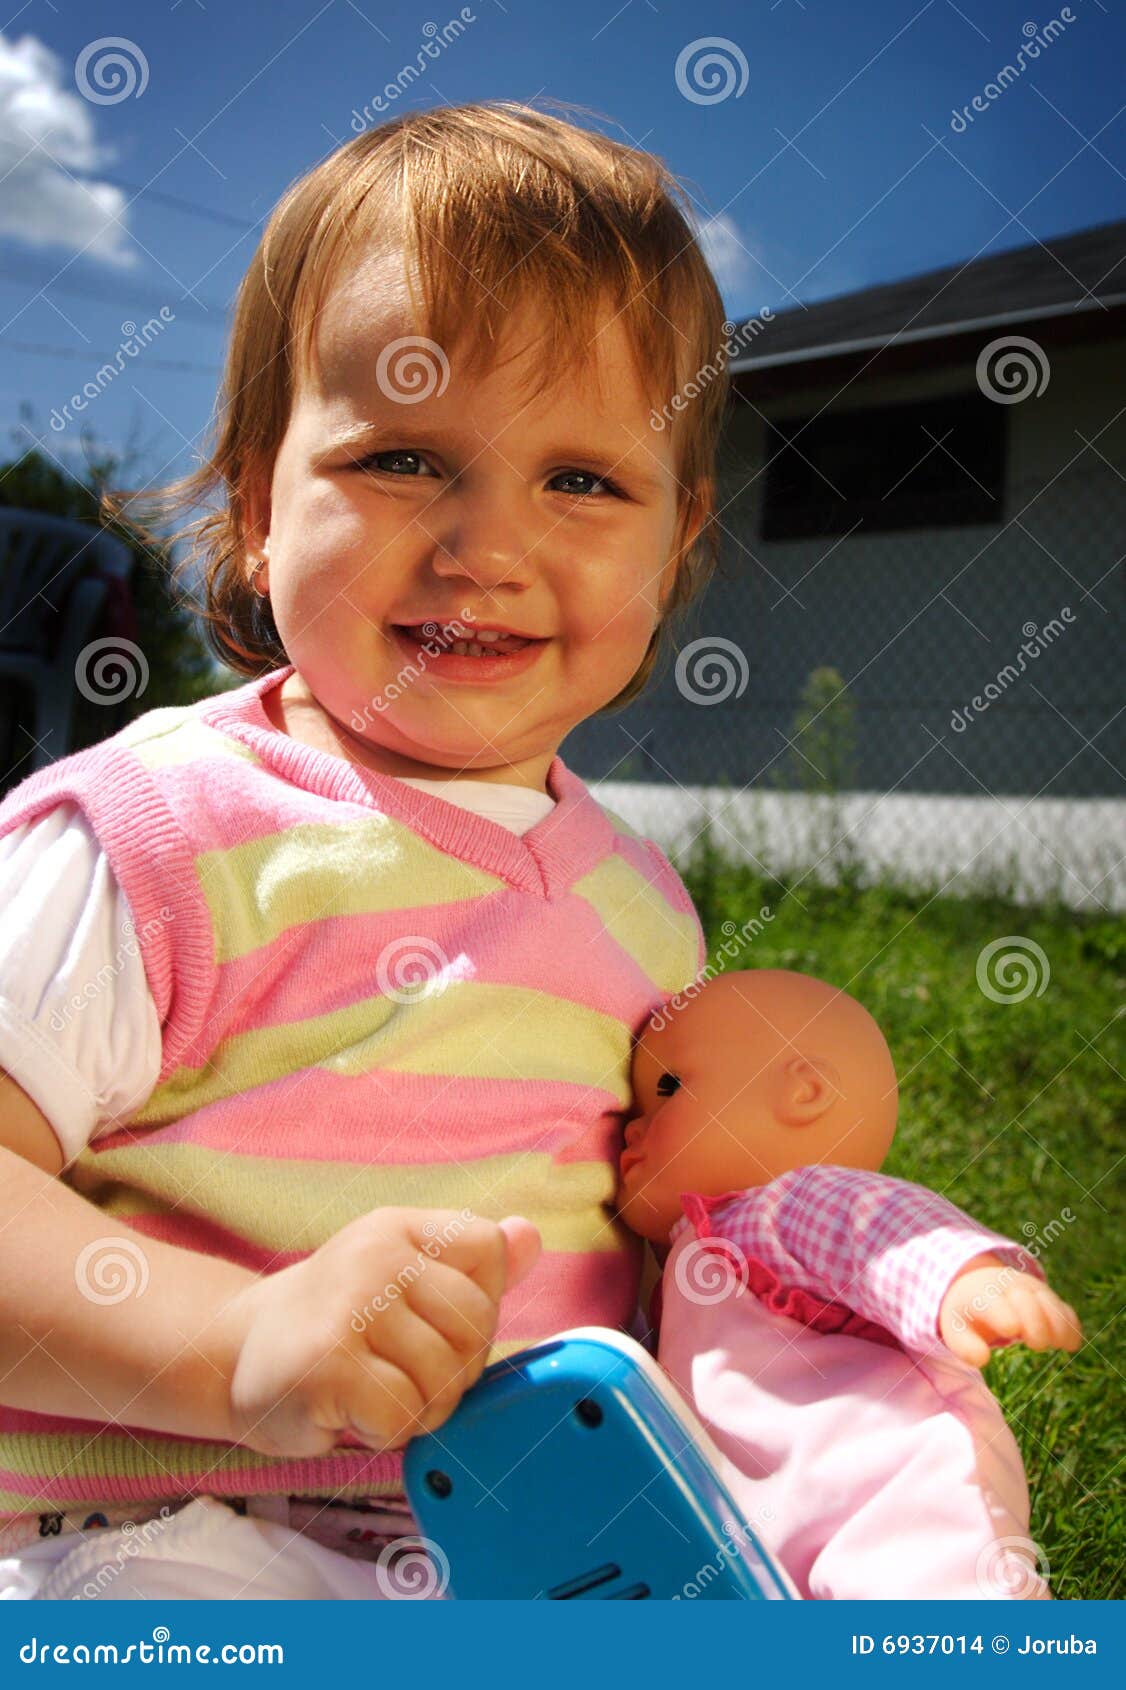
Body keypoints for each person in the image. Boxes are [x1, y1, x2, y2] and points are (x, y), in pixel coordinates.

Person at [0, 100, 724, 1599]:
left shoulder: (643, 909)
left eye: (581, 480)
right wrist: (239, 1345)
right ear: (262, 508)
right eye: (404, 457)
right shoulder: (155, 834)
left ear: (676, 545)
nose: (485, 545)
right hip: (160, 1536)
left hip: (538, 1556)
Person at [616, 970, 1082, 1600]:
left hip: (897, 1481)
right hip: (796, 1519)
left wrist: (961, 1281)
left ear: (804, 1092)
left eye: (670, 1088)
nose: (633, 1130)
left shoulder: (783, 1205)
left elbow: (876, 1226)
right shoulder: (689, 1263)